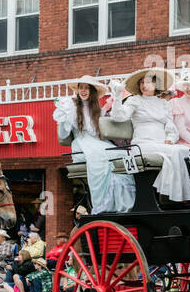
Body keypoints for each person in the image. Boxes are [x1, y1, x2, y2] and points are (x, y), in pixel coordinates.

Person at [110, 67, 190, 204]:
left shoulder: (163, 103)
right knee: (178, 151)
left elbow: (171, 127)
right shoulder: (135, 100)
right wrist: (117, 95)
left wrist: (170, 139)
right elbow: (118, 117)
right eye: (141, 82)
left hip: (161, 144)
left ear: (155, 85)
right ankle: (189, 196)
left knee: (185, 150)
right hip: (142, 145)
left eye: (147, 82)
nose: (143, 85)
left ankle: (187, 193)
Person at [52, 76, 135, 214]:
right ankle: (103, 204)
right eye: (81, 87)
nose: (83, 90)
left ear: (92, 91)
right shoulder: (71, 108)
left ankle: (121, 203)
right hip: (82, 142)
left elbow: (102, 130)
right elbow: (63, 135)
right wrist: (62, 118)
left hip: (99, 143)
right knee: (104, 155)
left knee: (123, 154)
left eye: (87, 88)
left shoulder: (98, 110)